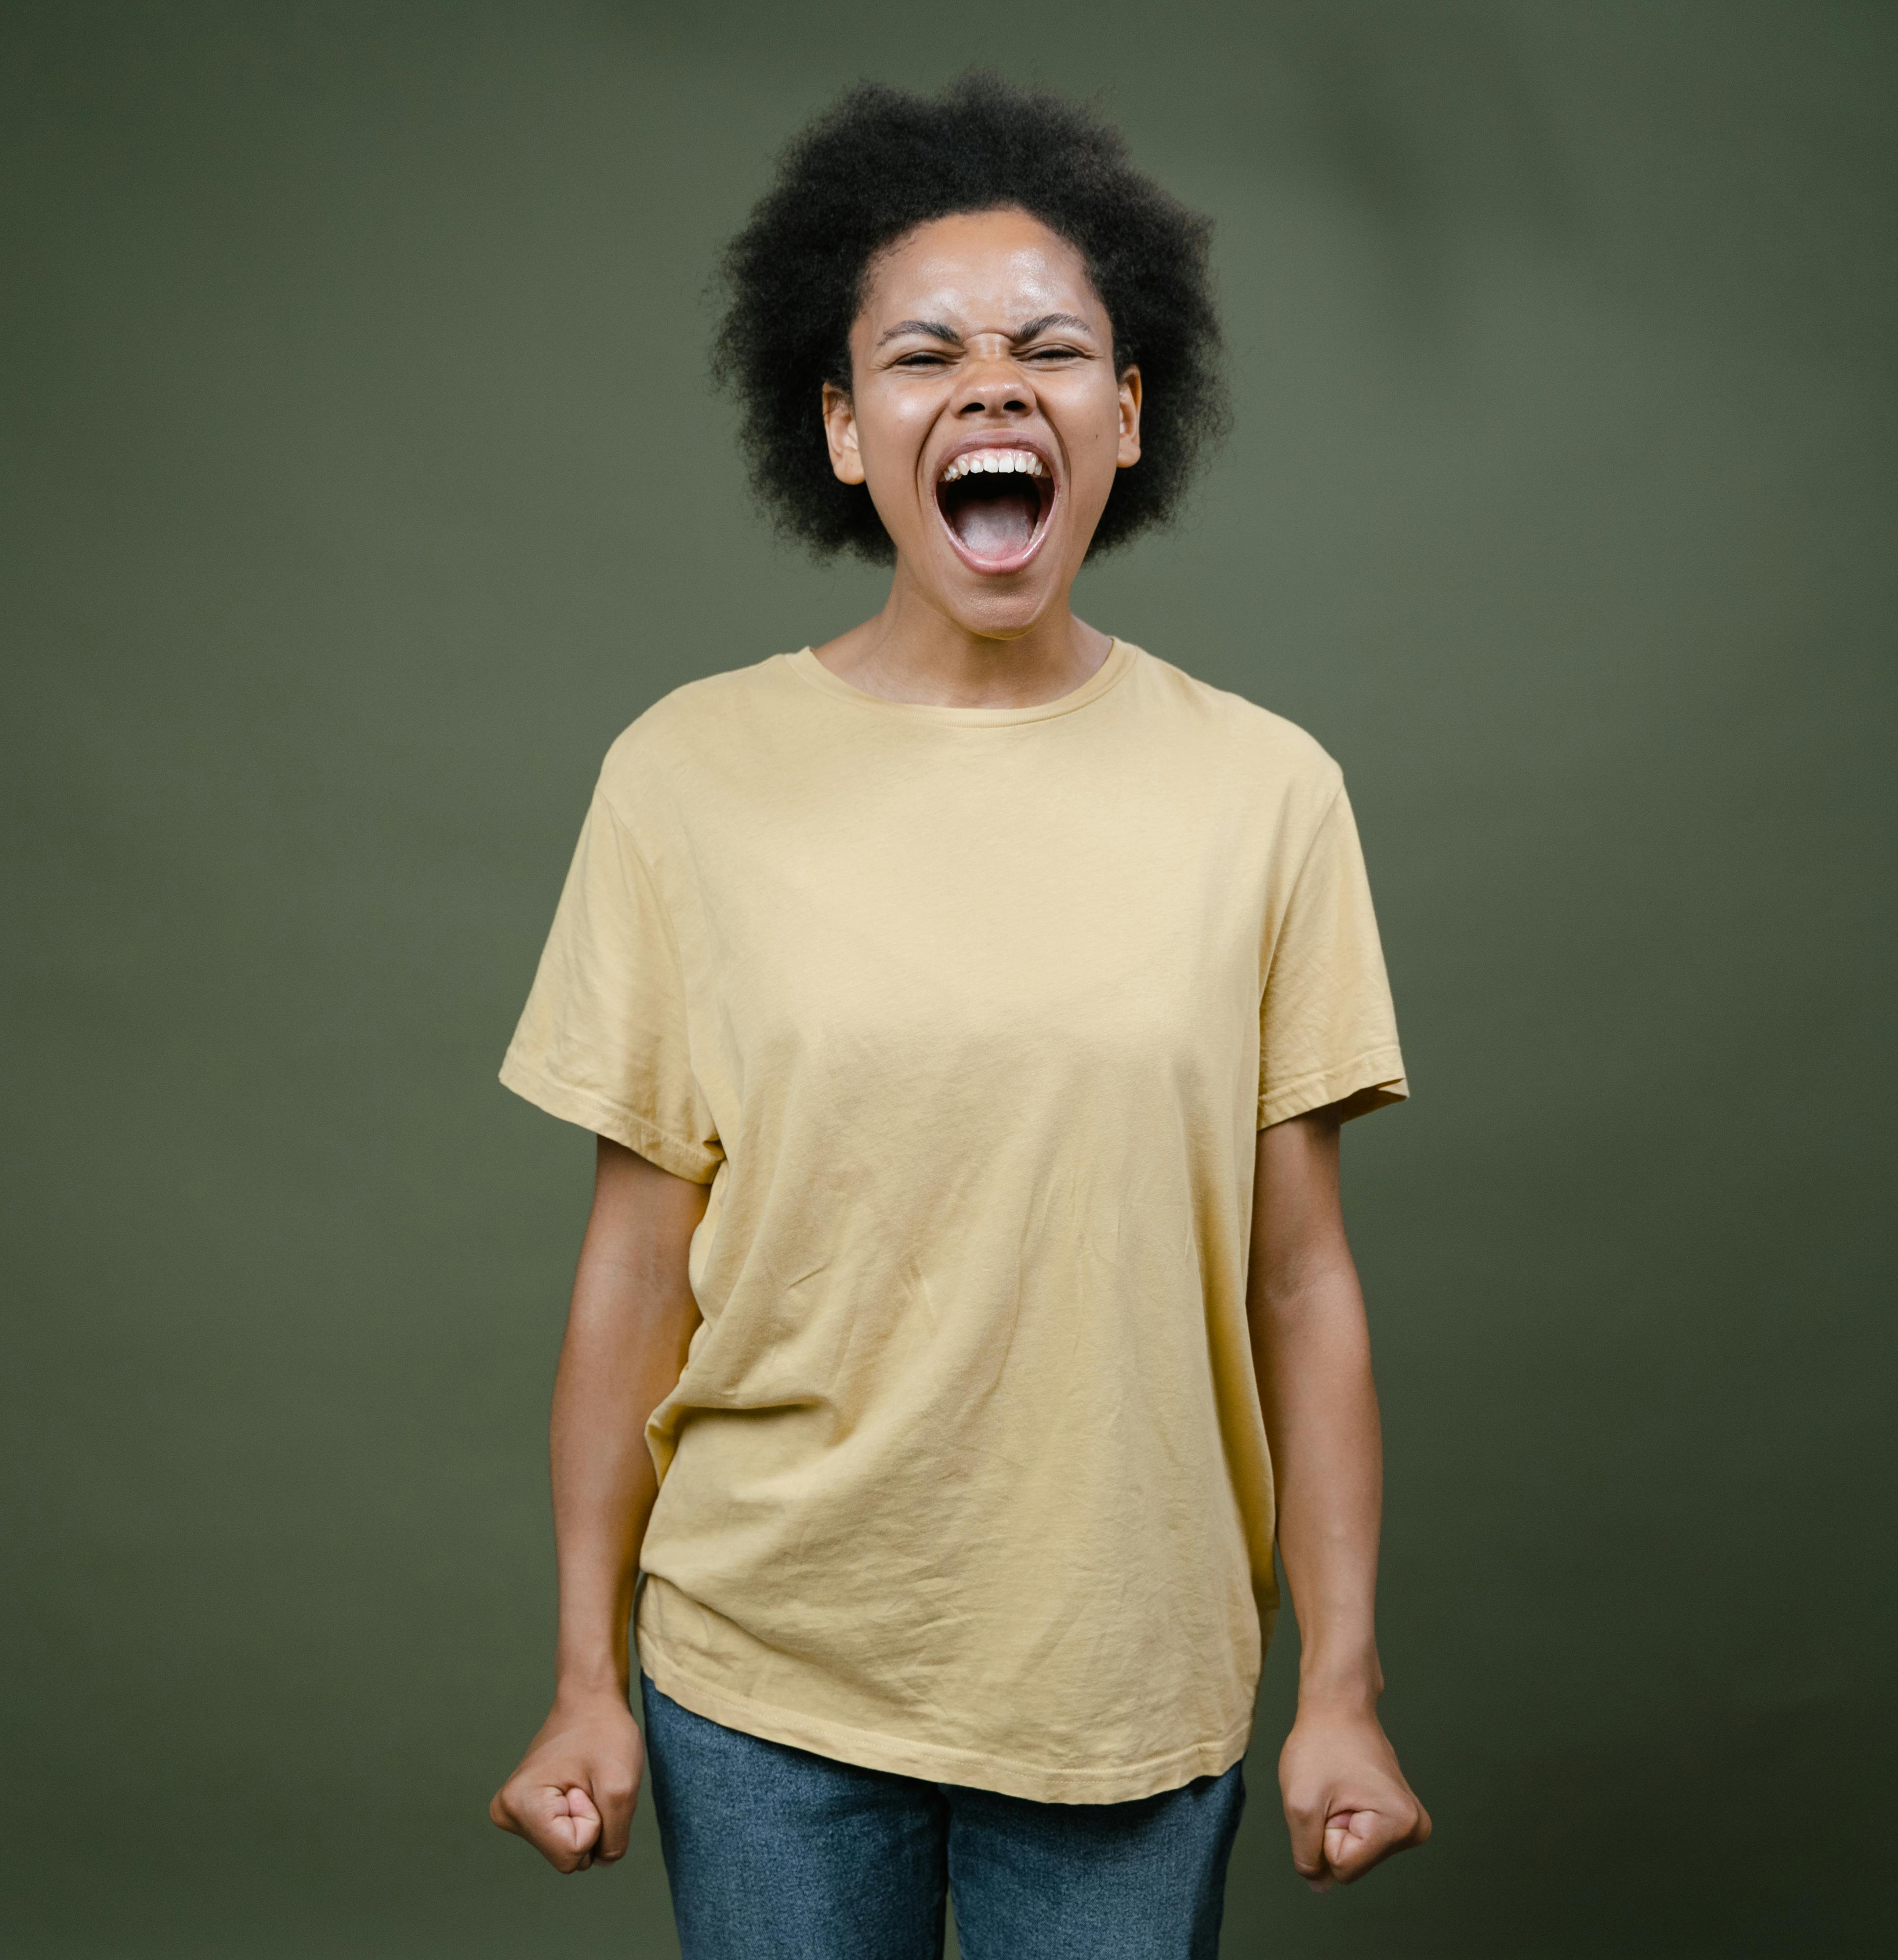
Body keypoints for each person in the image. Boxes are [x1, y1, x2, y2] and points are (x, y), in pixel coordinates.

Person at [488, 73, 1429, 1959]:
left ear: (1124, 417)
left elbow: (1302, 1281)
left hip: (1129, 1679)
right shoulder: (686, 776)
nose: (993, 387)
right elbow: (633, 1264)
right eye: (924, 355)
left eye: (1050, 350)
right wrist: (584, 1672)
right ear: (842, 430)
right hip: (762, 1677)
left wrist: (1341, 1690)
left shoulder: (1265, 793)